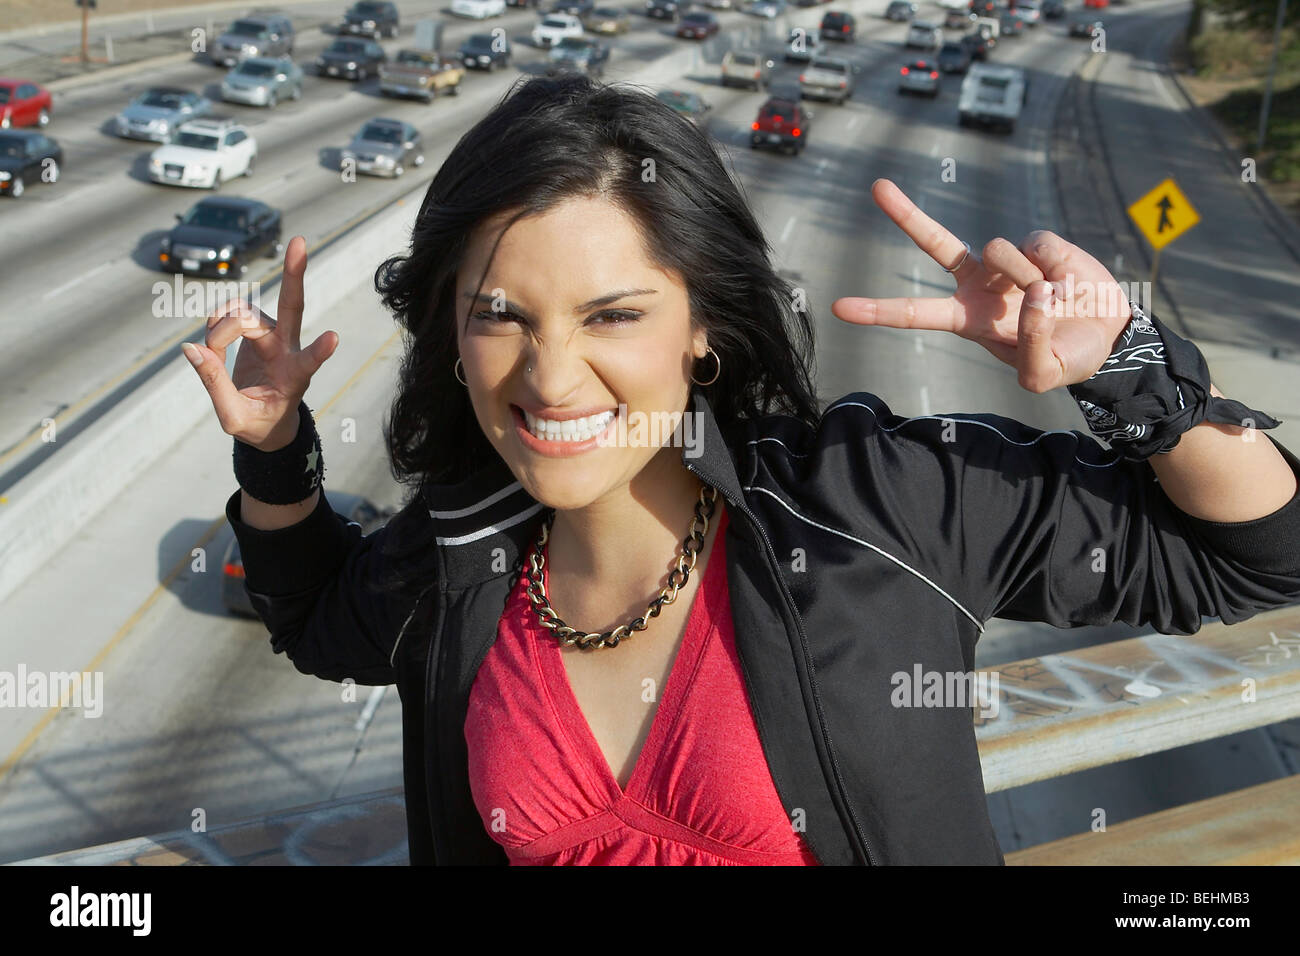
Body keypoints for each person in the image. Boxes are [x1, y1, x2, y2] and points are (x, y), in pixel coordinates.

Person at [181, 74, 1300, 865]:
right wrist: (276, 448)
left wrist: (1136, 378)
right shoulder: (459, 558)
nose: (553, 374)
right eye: (500, 316)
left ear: (701, 327)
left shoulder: (876, 501)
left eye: (611, 314)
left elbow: (1258, 556)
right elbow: (313, 614)